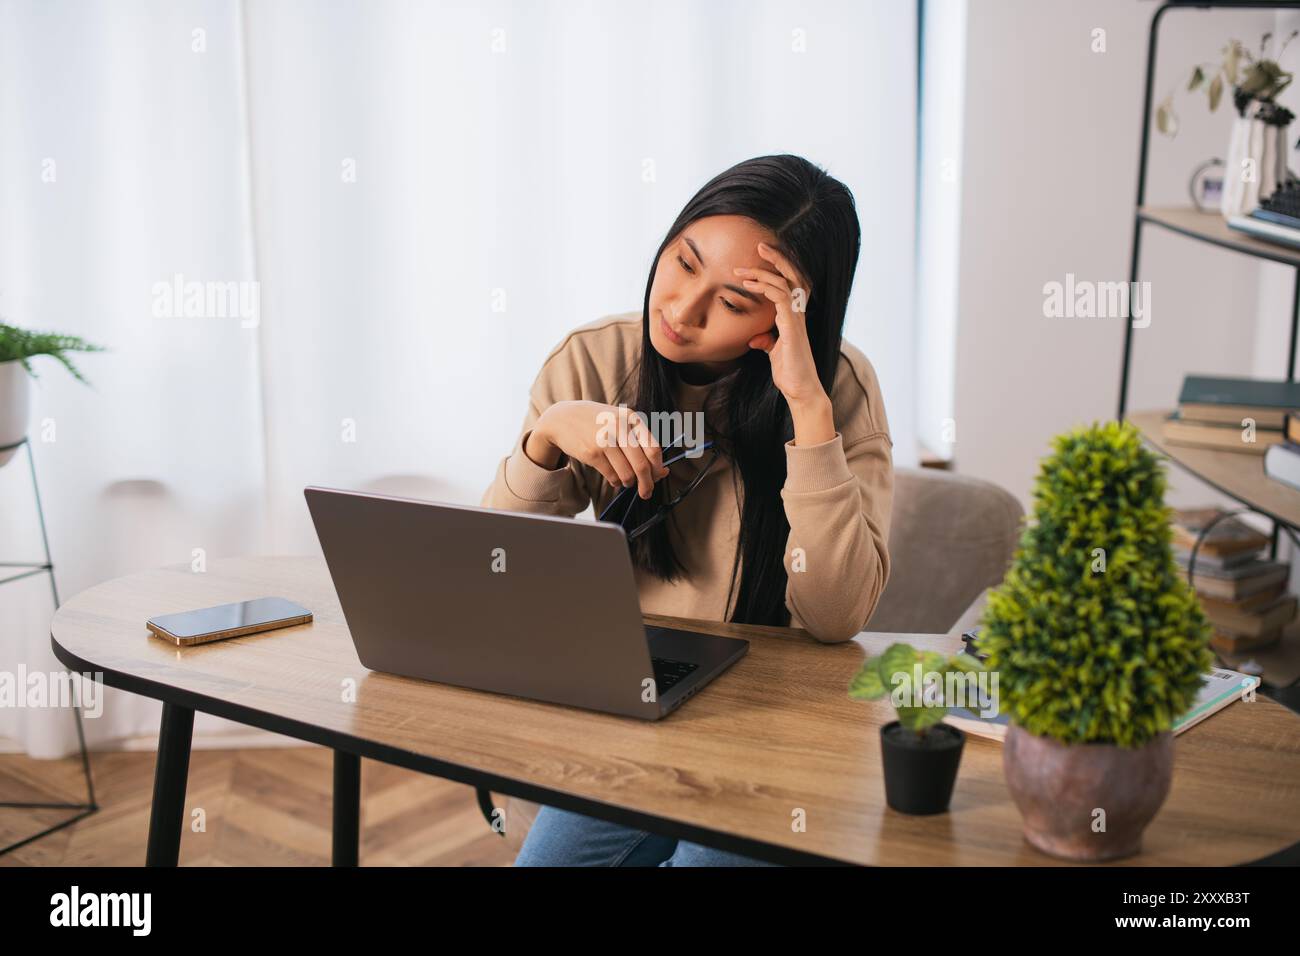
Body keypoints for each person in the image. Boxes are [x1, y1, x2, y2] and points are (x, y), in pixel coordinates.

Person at [481, 153, 893, 866]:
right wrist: (545, 442)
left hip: (777, 720)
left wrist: (806, 408)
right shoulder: (595, 360)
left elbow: (836, 614)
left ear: (791, 318)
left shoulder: (839, 392)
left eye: (734, 303)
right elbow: (494, 576)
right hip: (636, 700)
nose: (679, 309)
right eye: (682, 262)